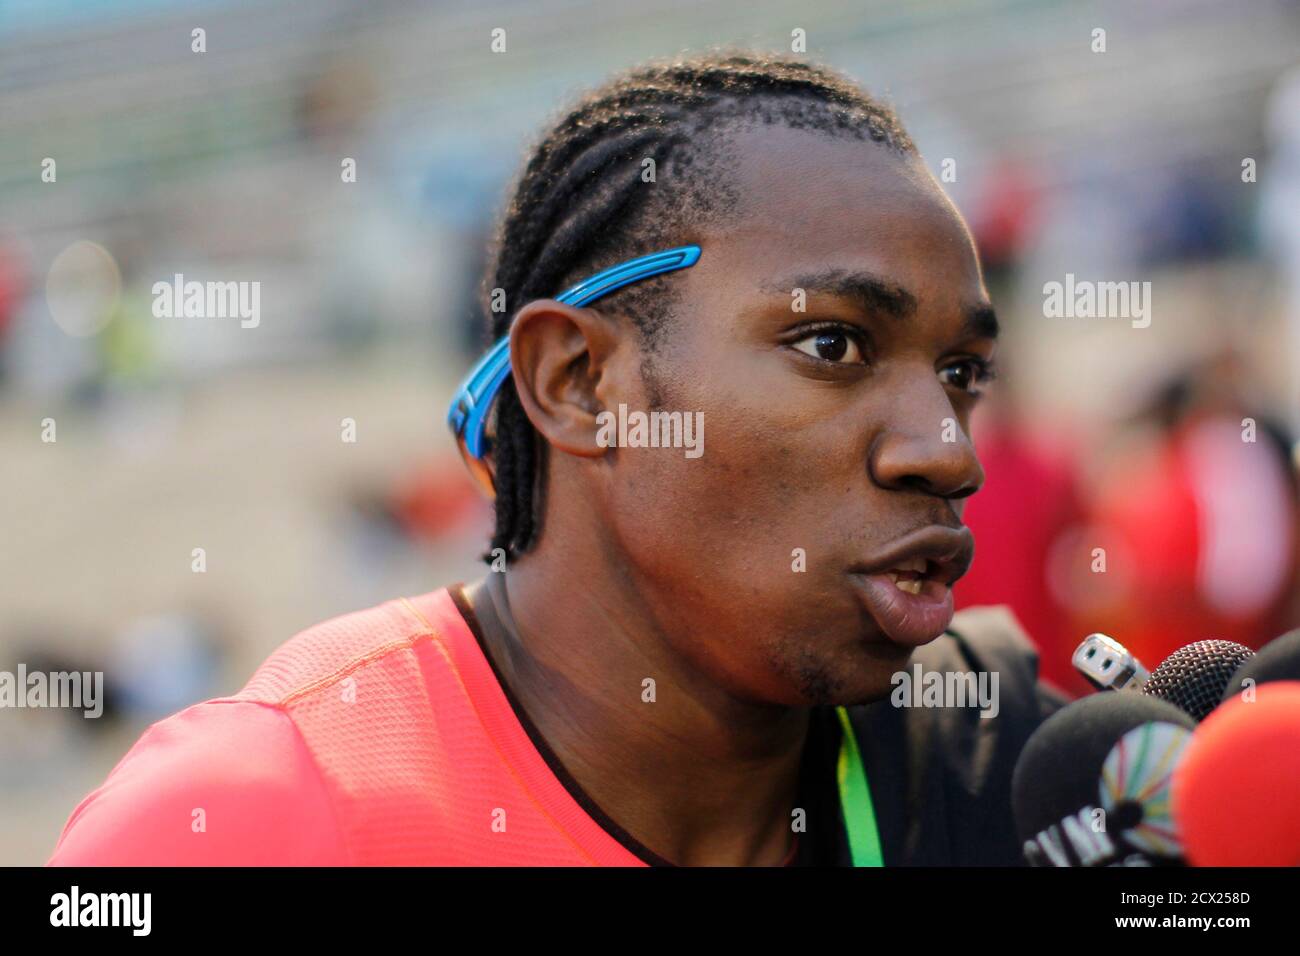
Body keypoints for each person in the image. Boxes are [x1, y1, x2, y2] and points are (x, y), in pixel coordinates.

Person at [48, 52, 1064, 868]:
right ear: (579, 382)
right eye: (831, 345)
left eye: (963, 370)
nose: (948, 448)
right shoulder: (258, 814)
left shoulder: (1023, 776)